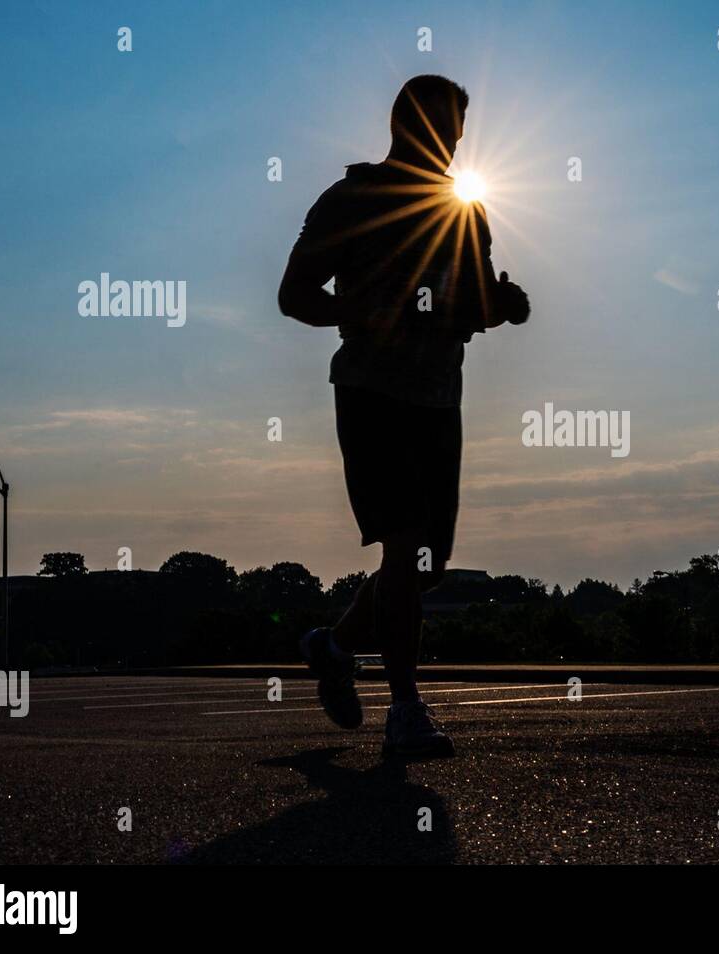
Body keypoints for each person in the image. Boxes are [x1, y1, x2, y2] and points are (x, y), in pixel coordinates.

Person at [278, 74, 530, 758]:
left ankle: (331, 647)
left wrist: (503, 305)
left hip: (437, 398)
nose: (449, 144)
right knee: (403, 541)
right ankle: (407, 710)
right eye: (440, 129)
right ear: (403, 127)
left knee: (423, 565)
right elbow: (293, 294)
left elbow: (471, 303)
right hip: (371, 391)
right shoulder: (351, 200)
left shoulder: (466, 213)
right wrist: (355, 313)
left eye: (456, 133)